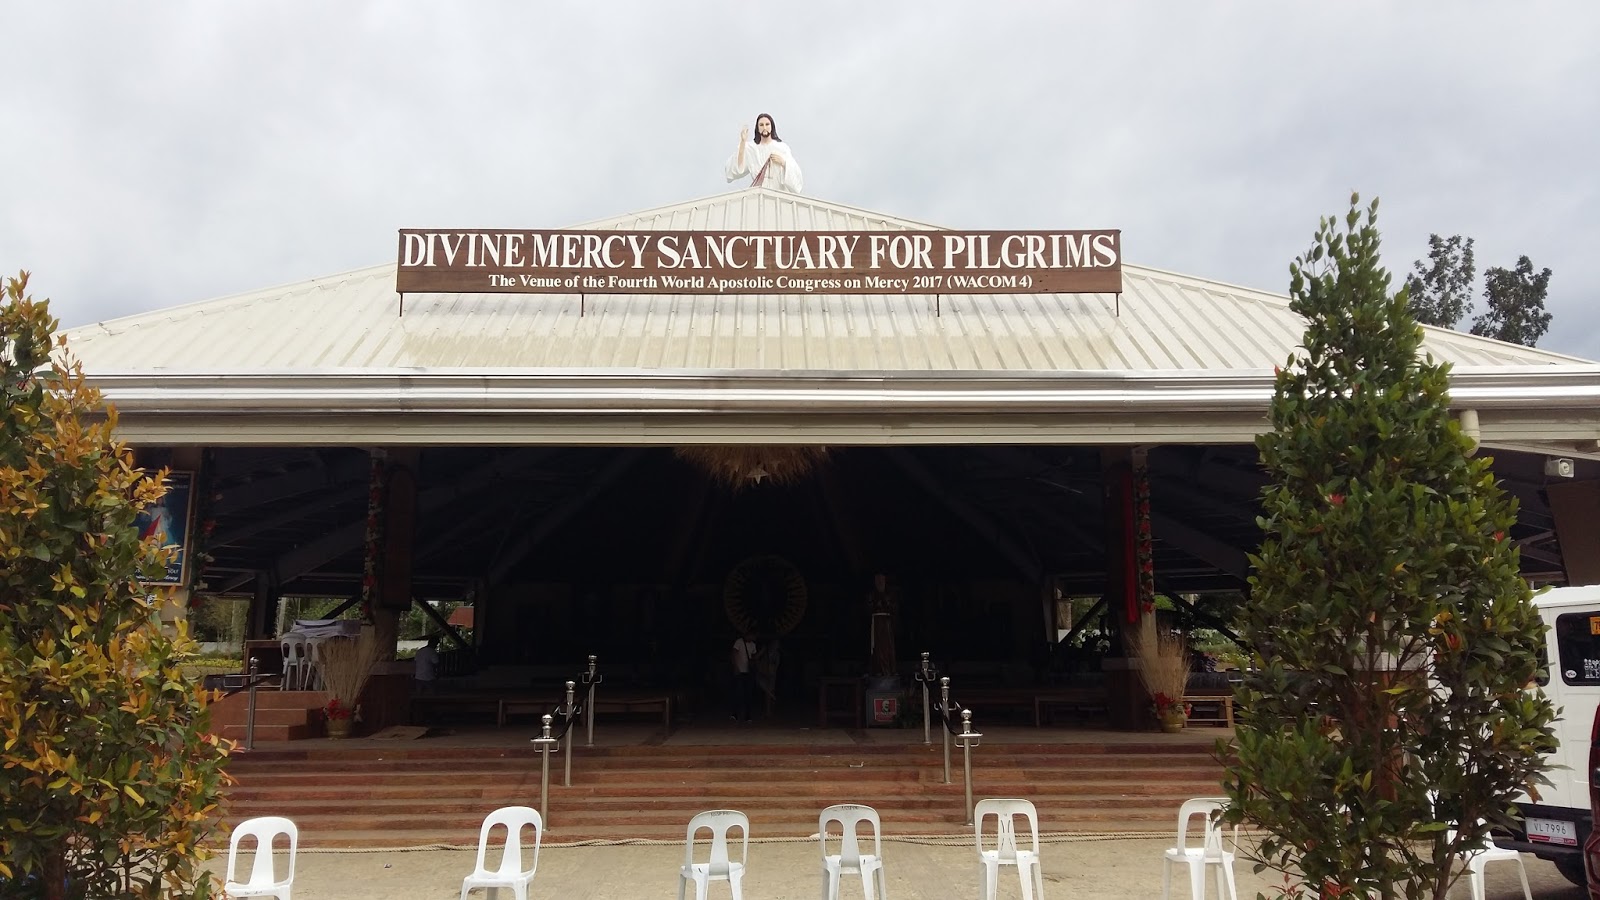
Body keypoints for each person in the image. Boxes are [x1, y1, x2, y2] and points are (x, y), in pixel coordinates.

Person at [724, 112, 803, 193]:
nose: (764, 127)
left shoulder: (782, 147)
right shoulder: (752, 148)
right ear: (757, 128)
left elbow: (796, 174)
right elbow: (736, 167)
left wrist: (783, 163)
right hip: (760, 193)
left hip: (779, 193)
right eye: (761, 125)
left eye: (767, 124)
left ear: (772, 126)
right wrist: (743, 142)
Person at [730, 630, 759, 722]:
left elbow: (754, 657)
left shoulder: (753, 645)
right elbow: (734, 653)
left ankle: (748, 715)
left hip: (748, 672)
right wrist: (735, 667)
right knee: (738, 693)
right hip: (740, 672)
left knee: (748, 694)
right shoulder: (739, 642)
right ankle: (735, 714)